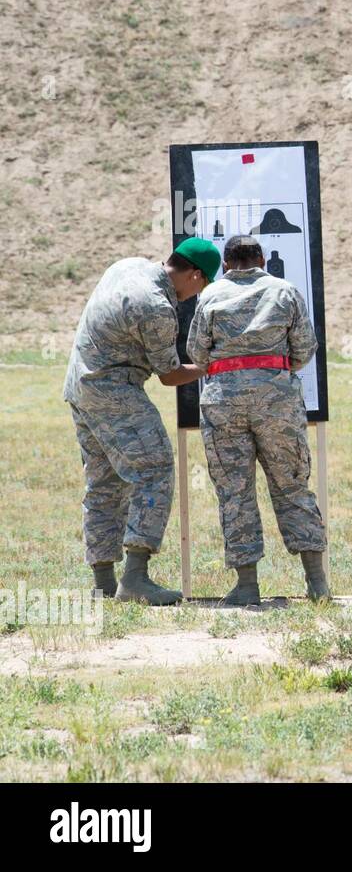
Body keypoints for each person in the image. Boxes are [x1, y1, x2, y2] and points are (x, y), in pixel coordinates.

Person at [64, 239, 219, 604]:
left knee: (104, 481)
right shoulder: (157, 307)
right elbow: (169, 374)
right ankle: (135, 577)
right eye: (202, 286)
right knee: (155, 467)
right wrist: (211, 367)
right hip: (112, 388)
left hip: (79, 384)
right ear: (195, 275)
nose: (197, 295)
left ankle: (103, 582)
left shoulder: (128, 265)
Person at [186, 236, 328, 605]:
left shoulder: (211, 295)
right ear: (262, 260)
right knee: (292, 485)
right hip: (277, 402)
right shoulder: (285, 291)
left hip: (224, 405)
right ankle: (317, 583)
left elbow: (197, 353)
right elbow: (304, 349)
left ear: (226, 265)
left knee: (234, 492)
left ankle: (247, 586)